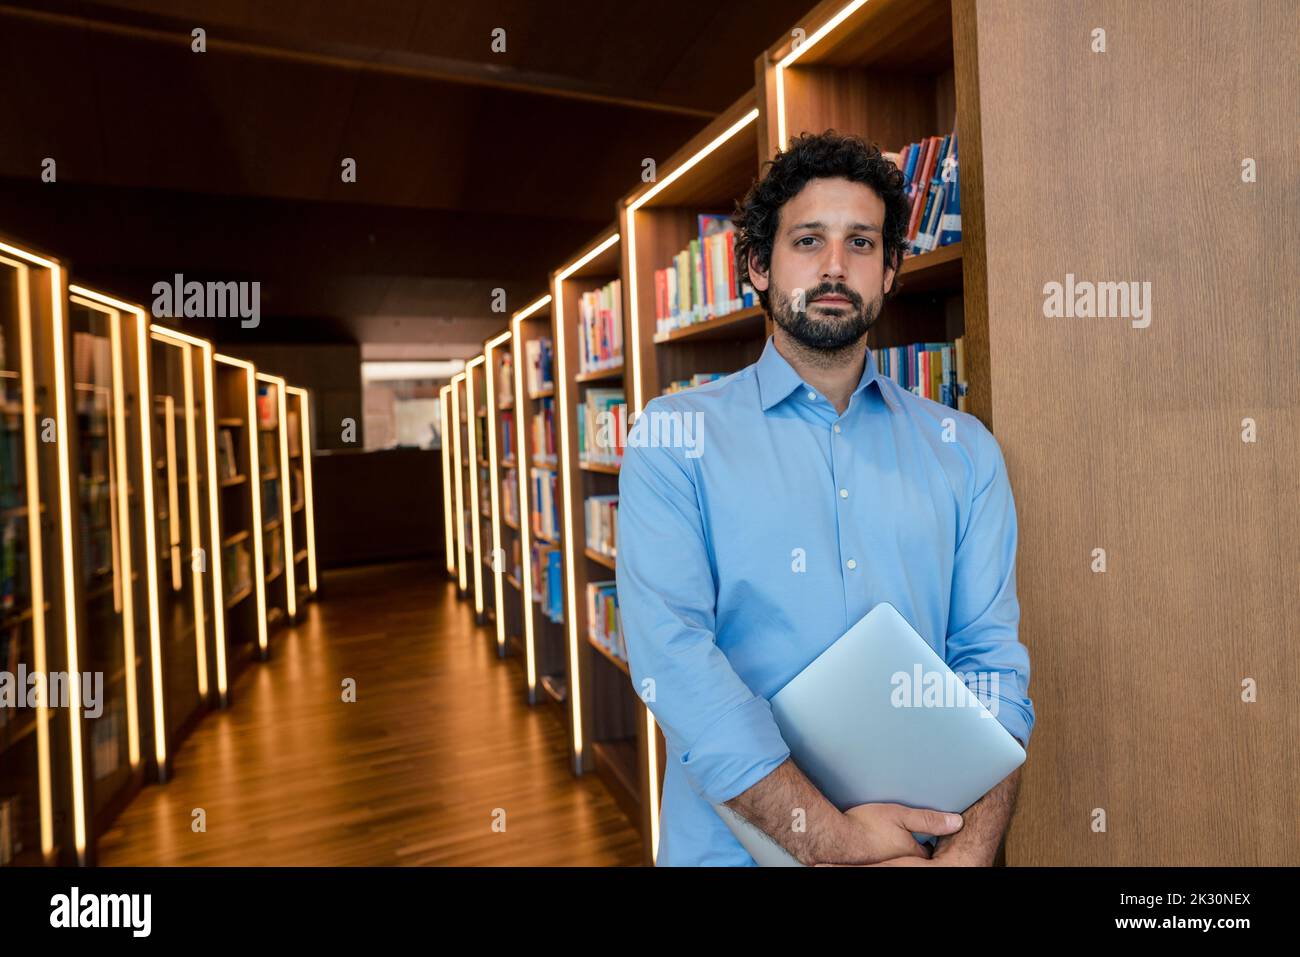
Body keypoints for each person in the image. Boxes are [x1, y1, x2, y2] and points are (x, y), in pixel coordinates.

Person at [616, 130, 1034, 866]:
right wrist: (837, 843)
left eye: (862, 243)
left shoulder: (965, 452)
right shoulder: (672, 439)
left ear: (891, 269)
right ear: (757, 265)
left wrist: (965, 858)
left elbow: (992, 667)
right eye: (808, 240)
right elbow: (675, 661)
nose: (836, 267)